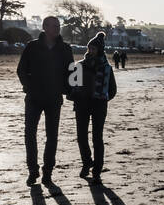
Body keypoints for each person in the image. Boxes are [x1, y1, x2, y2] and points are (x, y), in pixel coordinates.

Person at [17, 16, 74, 186]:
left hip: (54, 98)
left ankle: (48, 171)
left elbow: (72, 73)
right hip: (34, 98)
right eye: (53, 26)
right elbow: (21, 70)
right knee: (29, 134)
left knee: (52, 136)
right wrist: (28, 87)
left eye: (58, 26)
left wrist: (68, 91)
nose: (57, 29)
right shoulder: (32, 46)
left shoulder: (65, 49)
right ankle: (32, 170)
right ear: (44, 27)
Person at [72, 32, 117, 185]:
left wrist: (102, 98)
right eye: (89, 48)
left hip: (99, 106)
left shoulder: (106, 68)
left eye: (94, 49)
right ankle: (86, 163)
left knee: (97, 138)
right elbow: (71, 85)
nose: (91, 51)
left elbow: (112, 90)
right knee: (81, 137)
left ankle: (97, 170)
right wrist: (76, 95)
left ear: (100, 50)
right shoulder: (79, 66)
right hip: (81, 105)